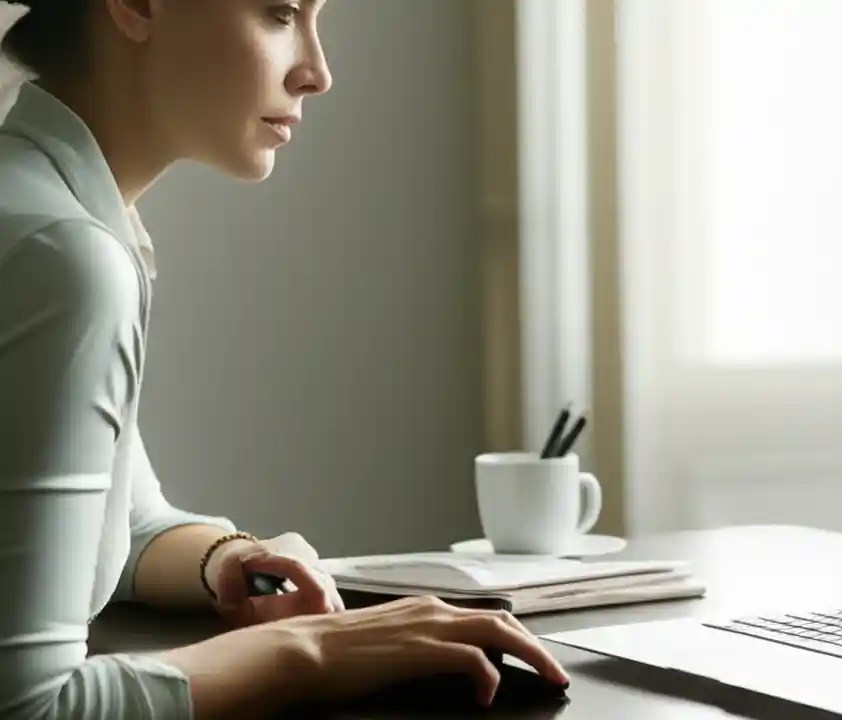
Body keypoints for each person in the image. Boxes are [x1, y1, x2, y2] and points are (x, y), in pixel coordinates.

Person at [0, 1, 570, 718]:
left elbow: (121, 524)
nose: (317, 73)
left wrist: (227, 560)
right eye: (279, 13)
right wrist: (318, 650)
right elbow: (27, 707)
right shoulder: (63, 255)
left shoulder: (42, 208)